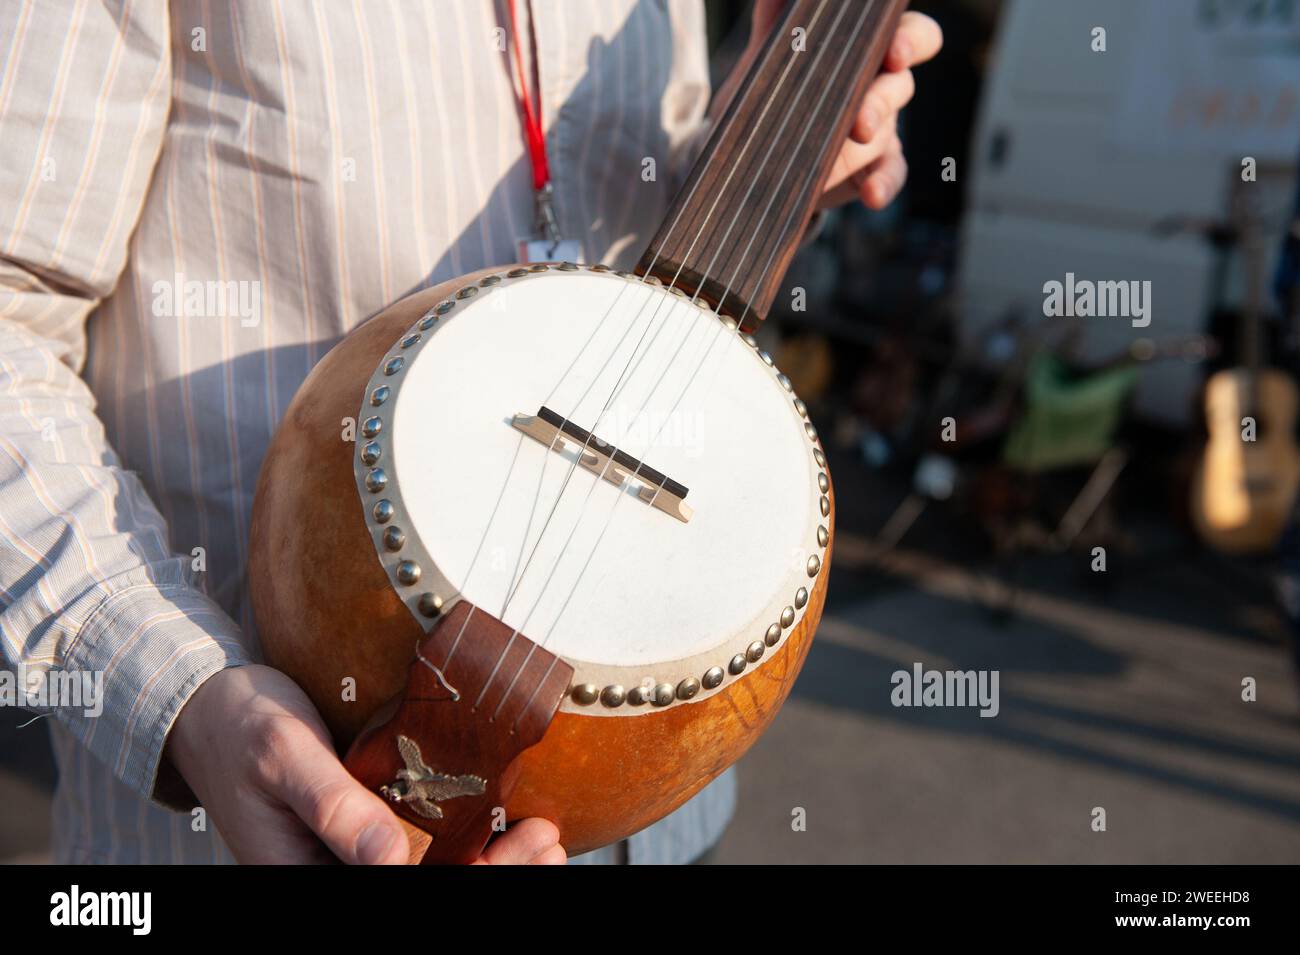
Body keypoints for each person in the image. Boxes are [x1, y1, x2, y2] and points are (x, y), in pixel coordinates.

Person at [0, 0, 941, 864]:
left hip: (656, 819)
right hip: (269, 814)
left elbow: (631, 270)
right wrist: (179, 690)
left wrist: (755, 169)